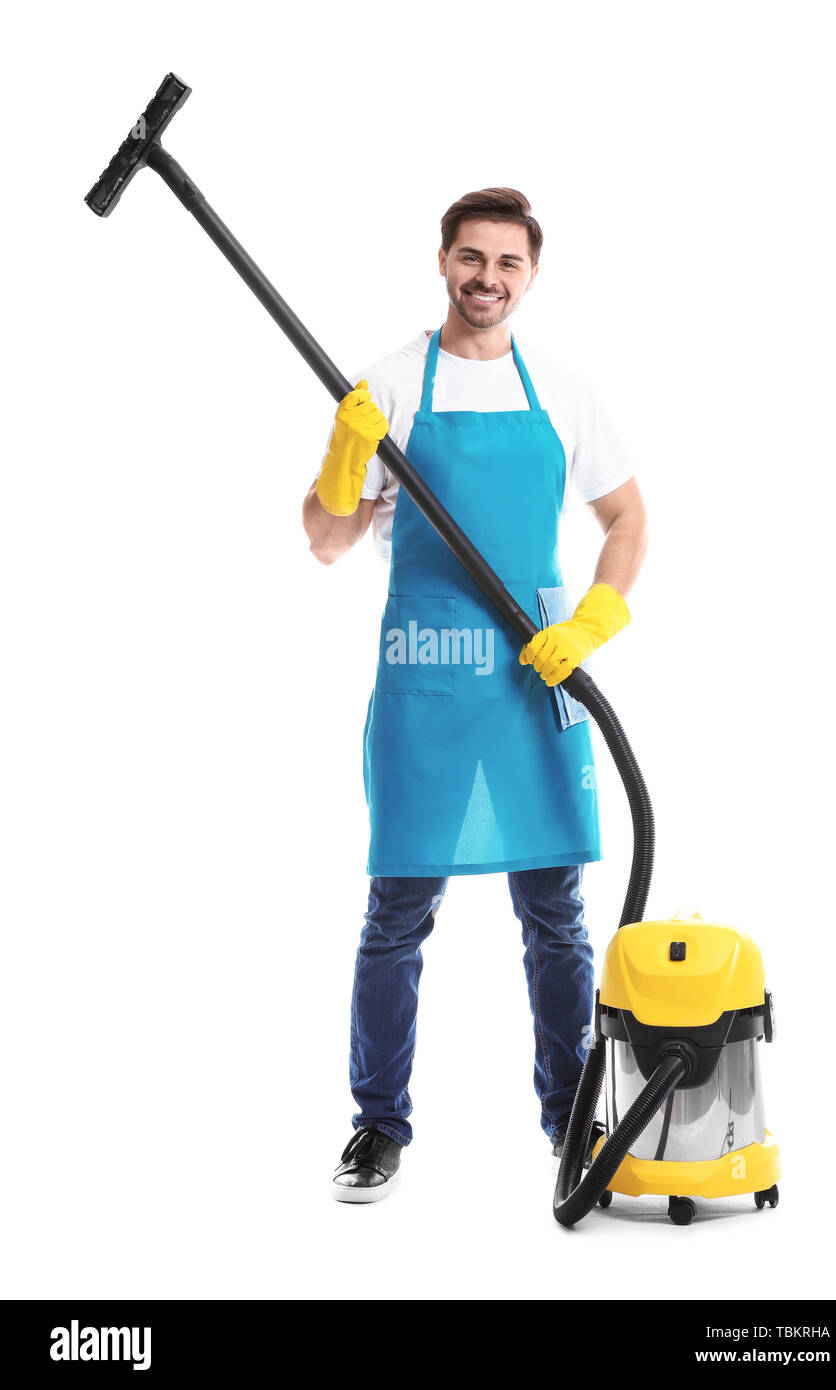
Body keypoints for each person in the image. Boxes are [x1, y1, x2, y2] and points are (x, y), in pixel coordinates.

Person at [302, 188, 648, 1202]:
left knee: (556, 914)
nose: (486, 277)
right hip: (425, 682)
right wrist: (343, 456)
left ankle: (569, 1118)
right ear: (442, 261)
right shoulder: (390, 384)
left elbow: (627, 519)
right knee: (397, 908)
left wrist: (592, 620)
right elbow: (326, 542)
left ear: (529, 274)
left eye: (506, 261)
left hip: (534, 672)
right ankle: (376, 1126)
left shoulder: (567, 394)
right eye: (470, 257)